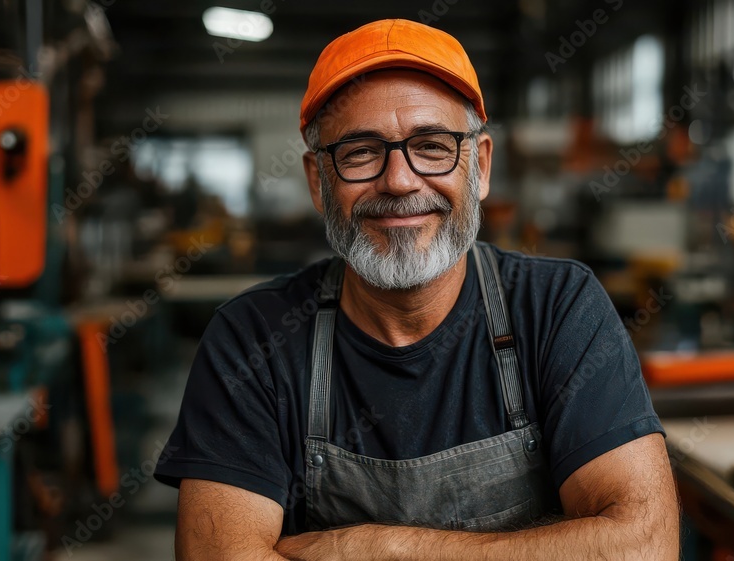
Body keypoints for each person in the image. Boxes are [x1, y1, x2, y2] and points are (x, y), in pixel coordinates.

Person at [155, 19, 679, 560]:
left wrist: (381, 548)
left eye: (431, 146)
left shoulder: (558, 307)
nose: (400, 181)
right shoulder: (252, 339)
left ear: (480, 167)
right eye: (360, 152)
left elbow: (644, 548)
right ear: (317, 181)